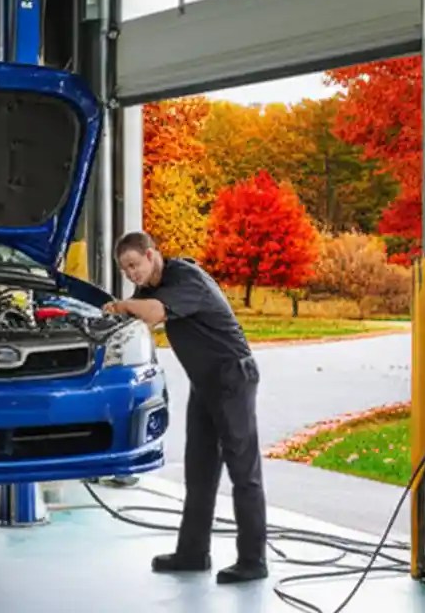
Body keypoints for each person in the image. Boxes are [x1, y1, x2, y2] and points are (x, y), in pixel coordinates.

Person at [103, 231, 268, 584]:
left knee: (244, 471)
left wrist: (123, 305)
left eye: (134, 265)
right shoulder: (148, 289)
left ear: (151, 255)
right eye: (125, 269)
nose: (131, 274)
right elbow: (133, 315)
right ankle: (193, 554)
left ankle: (253, 561)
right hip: (204, 382)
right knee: (199, 470)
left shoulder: (185, 278)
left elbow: (152, 313)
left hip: (232, 378)